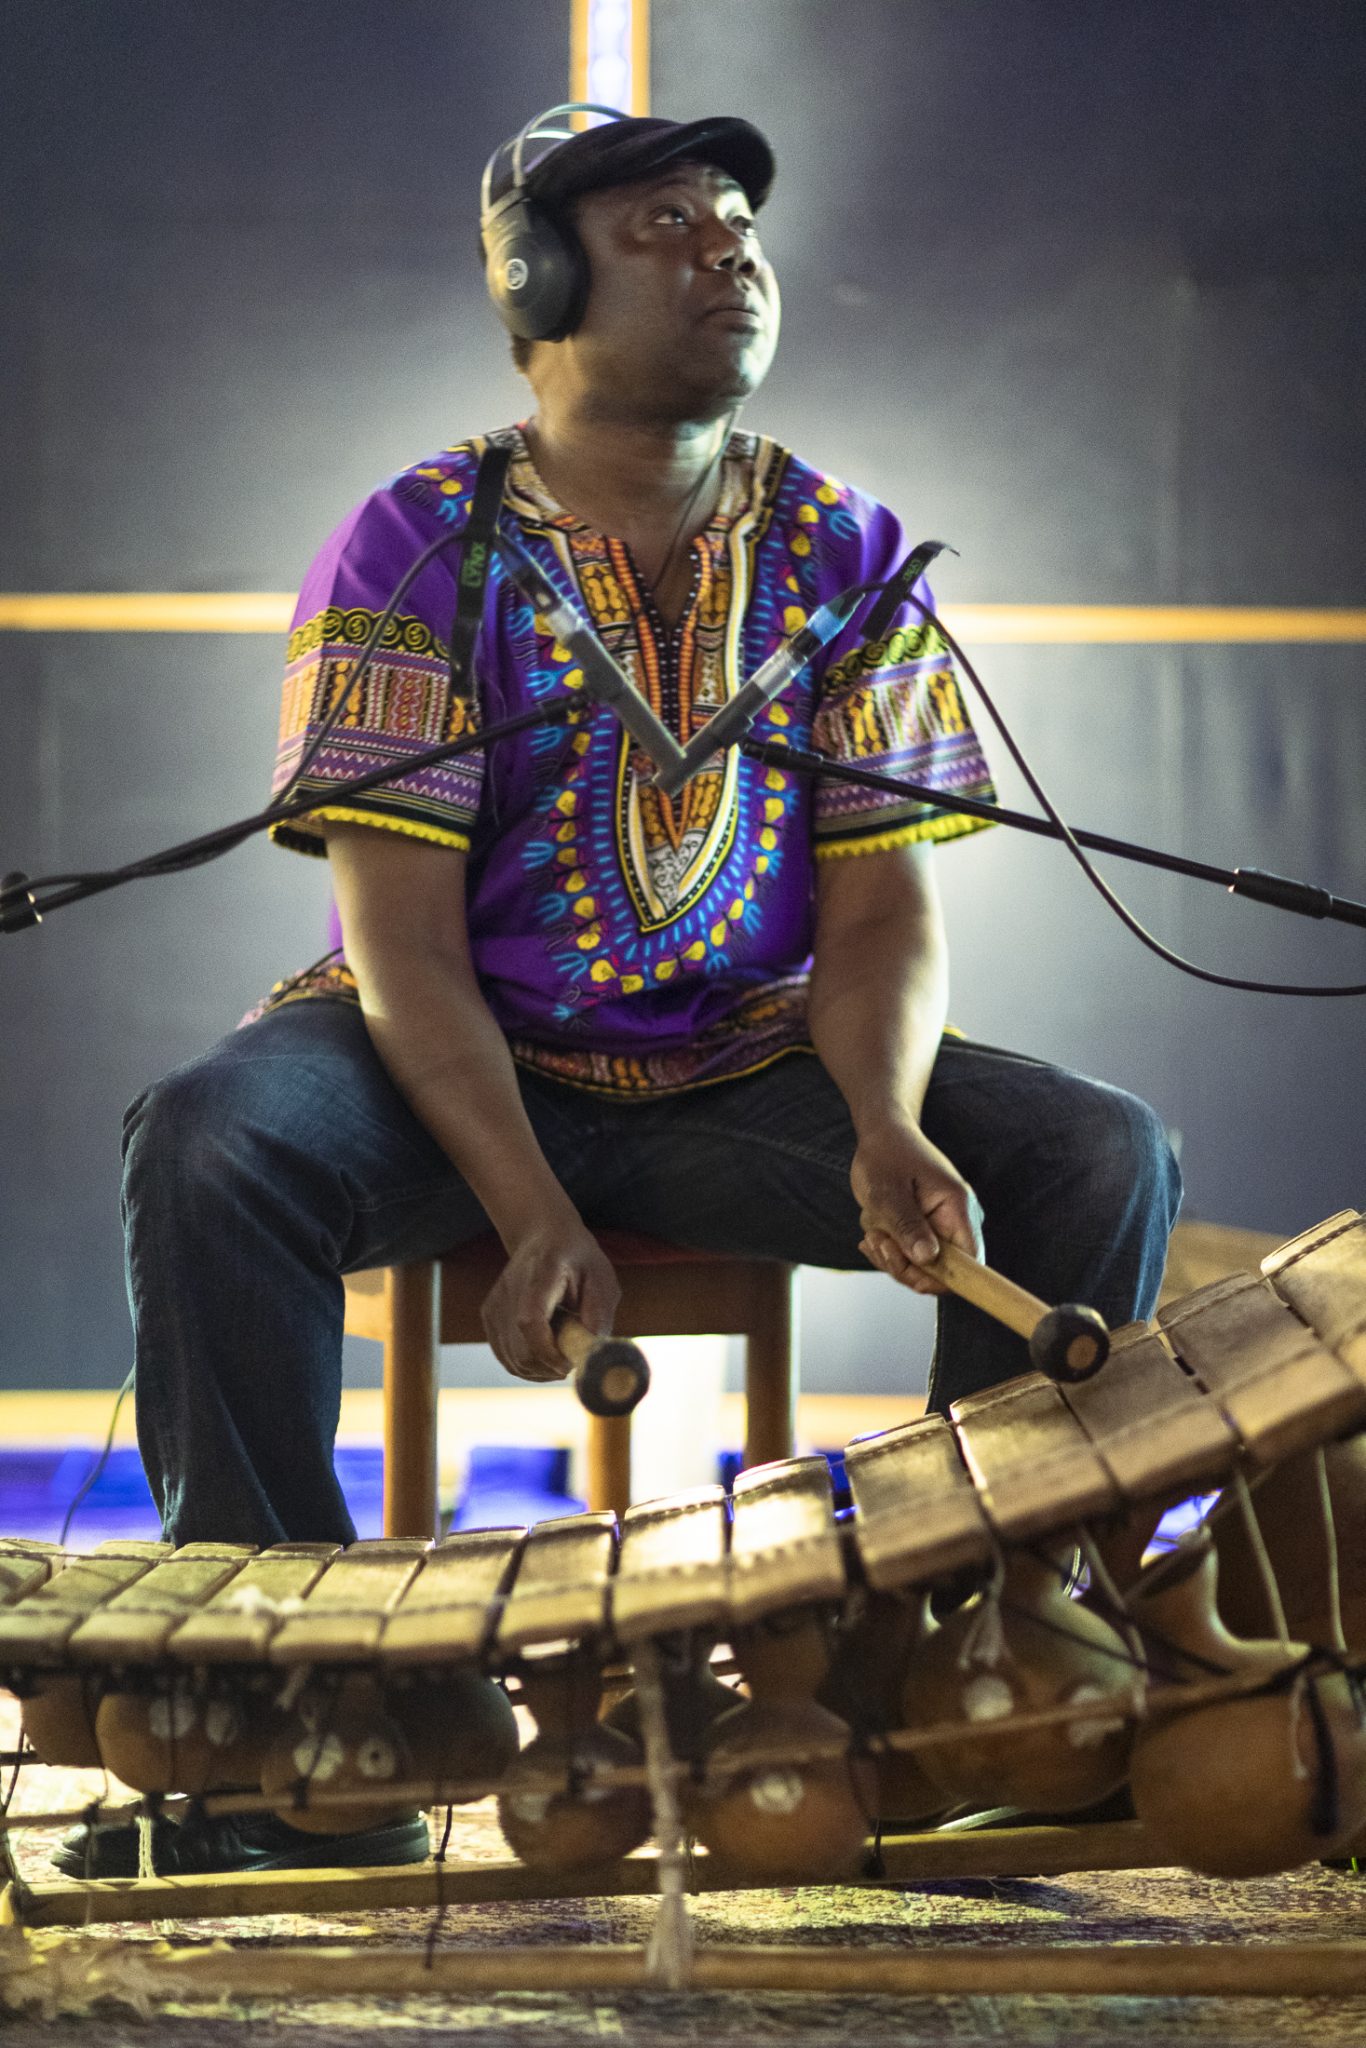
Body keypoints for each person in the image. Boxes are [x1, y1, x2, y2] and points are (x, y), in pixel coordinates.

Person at [73, 110, 1180, 1878]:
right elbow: (402, 944)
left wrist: (885, 1121)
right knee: (213, 1138)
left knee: (1095, 1152)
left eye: (735, 220)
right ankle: (296, 1724)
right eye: (664, 222)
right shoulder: (417, 541)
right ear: (538, 279)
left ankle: (958, 1679)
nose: (727, 249)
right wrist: (528, 1212)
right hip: (437, 1063)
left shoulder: (846, 546)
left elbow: (878, 913)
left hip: (740, 1070)